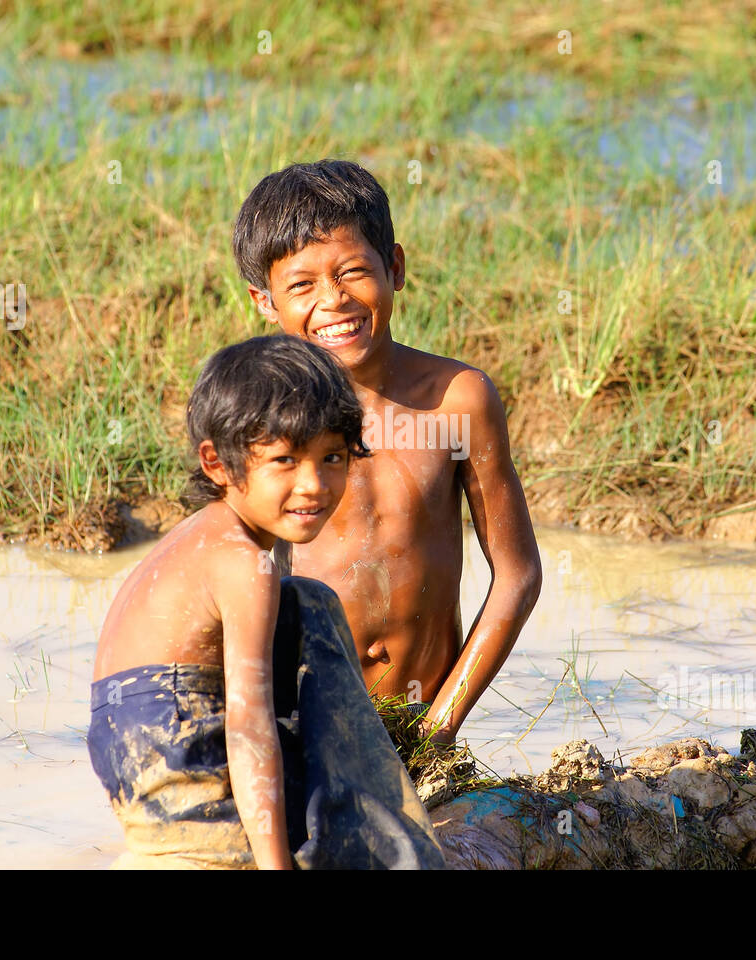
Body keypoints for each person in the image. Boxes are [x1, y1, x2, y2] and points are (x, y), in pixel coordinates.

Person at [88, 335, 444, 870]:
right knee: (312, 605)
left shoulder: (211, 538)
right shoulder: (242, 561)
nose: (314, 485)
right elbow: (248, 724)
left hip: (136, 763)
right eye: (285, 460)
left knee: (301, 600)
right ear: (216, 463)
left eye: (332, 458)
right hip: (176, 764)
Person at [233, 159, 543, 745]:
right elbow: (238, 586)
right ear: (265, 301)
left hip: (426, 728)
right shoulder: (260, 419)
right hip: (303, 735)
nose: (333, 301)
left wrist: (439, 728)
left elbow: (518, 575)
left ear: (394, 267)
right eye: (301, 285)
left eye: (352, 272)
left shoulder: (457, 401)